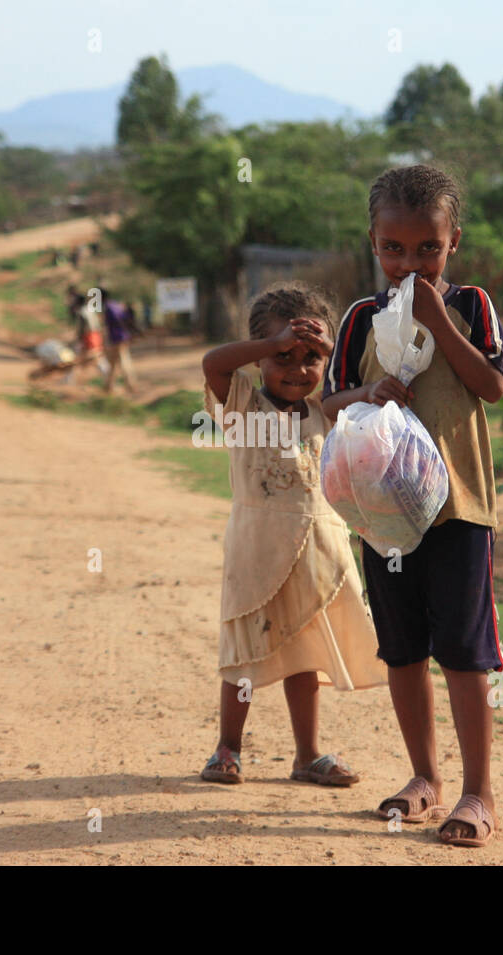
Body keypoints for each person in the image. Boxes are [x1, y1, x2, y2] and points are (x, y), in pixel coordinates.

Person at [321, 164, 503, 847]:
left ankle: (479, 791)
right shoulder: (360, 319)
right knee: (403, 648)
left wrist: (437, 318)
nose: (410, 262)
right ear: (374, 242)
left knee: (464, 650)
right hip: (384, 515)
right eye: (394, 249)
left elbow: (491, 384)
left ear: (452, 241)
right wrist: (366, 394)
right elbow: (328, 403)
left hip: (458, 509)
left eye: (427, 248)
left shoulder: (472, 306)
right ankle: (425, 777)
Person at [199, 283, 385, 786]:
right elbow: (215, 363)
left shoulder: (326, 409)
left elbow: (369, 388)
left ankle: (307, 756)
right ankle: (227, 749)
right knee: (244, 655)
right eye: (283, 356)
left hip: (319, 554)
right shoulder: (241, 405)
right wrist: (270, 342)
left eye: (310, 358)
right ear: (260, 358)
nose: (297, 368)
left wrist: (335, 352)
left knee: (307, 658)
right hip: (256, 553)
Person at [64, 285, 105, 385]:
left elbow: (82, 329)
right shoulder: (90, 310)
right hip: (95, 336)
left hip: (88, 337)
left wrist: (78, 339)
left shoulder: (81, 312)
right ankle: (69, 378)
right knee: (95, 357)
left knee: (78, 357)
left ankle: (69, 379)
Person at [101, 291, 140, 395]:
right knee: (113, 363)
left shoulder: (109, 308)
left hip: (117, 338)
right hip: (121, 336)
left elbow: (118, 320)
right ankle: (108, 386)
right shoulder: (115, 304)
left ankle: (131, 385)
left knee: (123, 361)